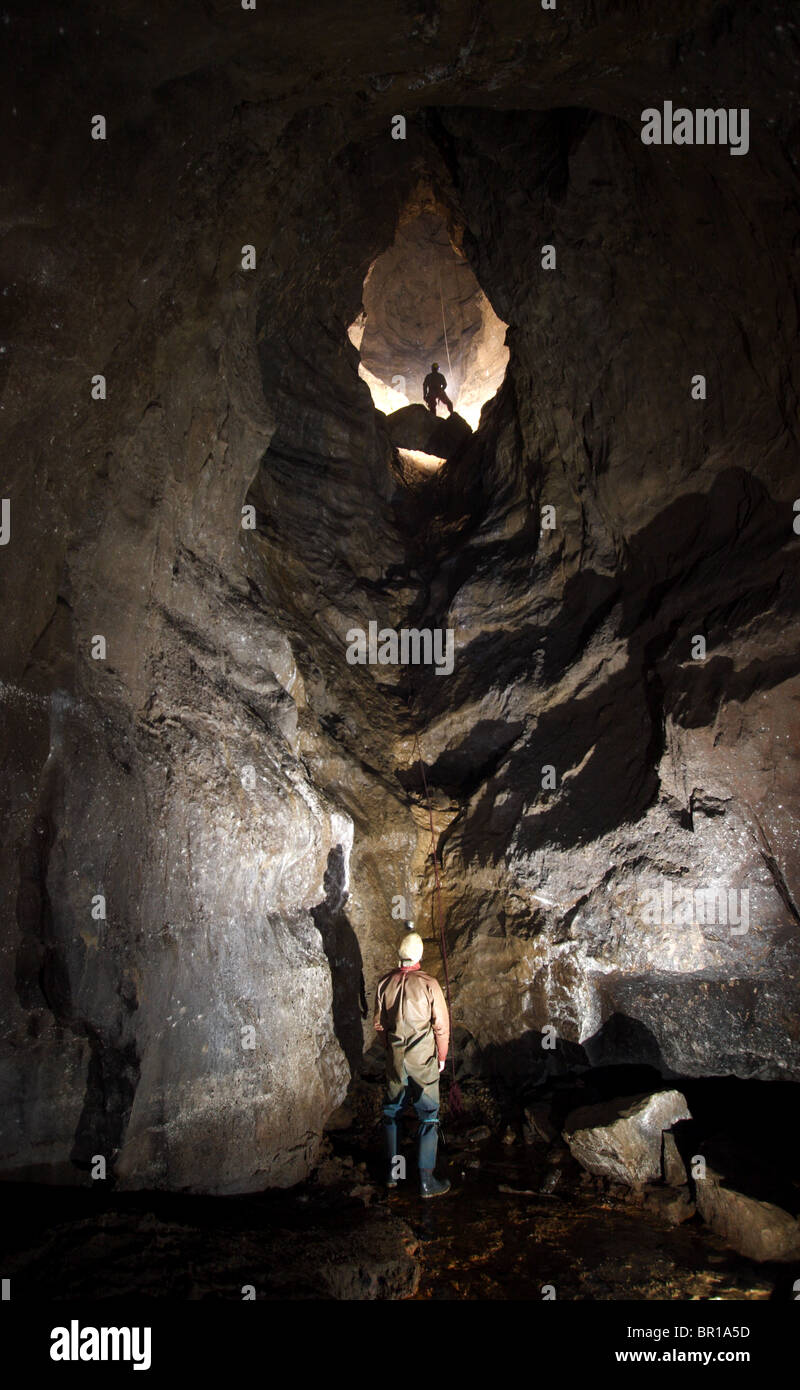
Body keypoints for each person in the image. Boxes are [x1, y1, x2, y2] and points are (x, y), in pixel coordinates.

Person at [373, 929, 452, 1198]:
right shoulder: (429, 984)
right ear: (419, 955)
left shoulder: (385, 983)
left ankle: (394, 1175)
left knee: (392, 1111)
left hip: (396, 1058)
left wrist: (391, 1050)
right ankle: (426, 1183)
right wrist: (441, 1057)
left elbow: (379, 1024)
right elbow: (441, 1027)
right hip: (423, 1060)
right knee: (428, 1115)